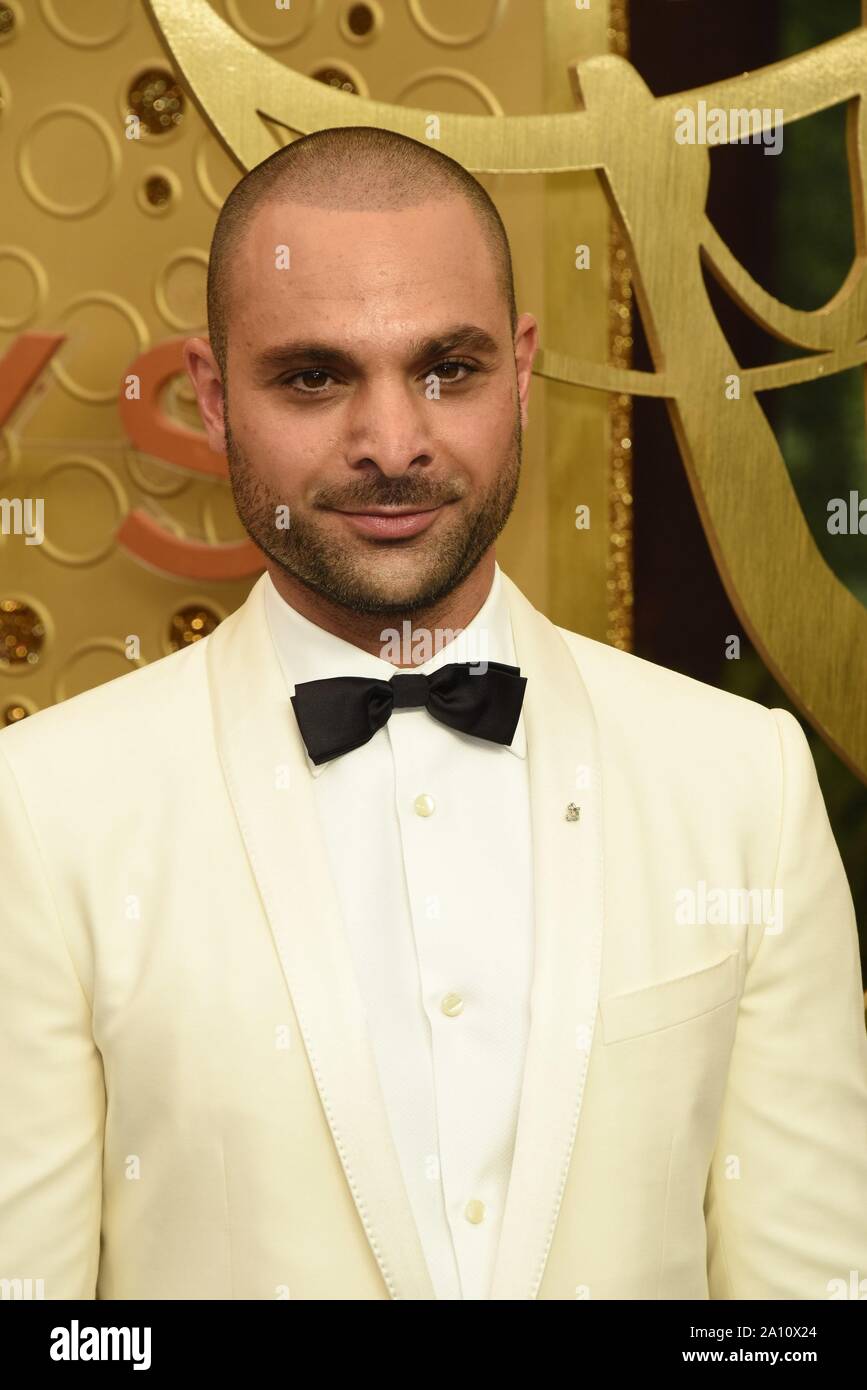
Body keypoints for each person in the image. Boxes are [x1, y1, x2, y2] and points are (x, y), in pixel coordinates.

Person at [1, 126, 865, 1302]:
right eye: (314, 375)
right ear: (210, 398)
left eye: (447, 369)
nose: (392, 444)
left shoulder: (742, 785)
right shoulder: (44, 812)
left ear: (520, 368)